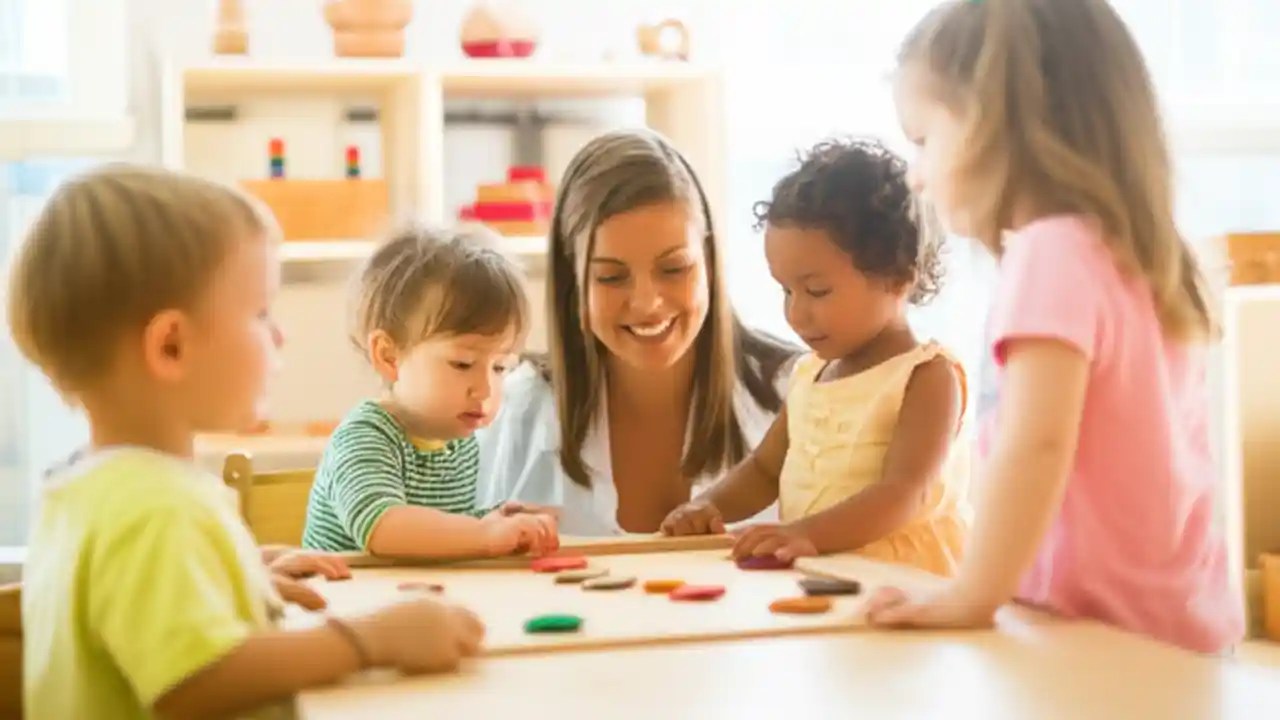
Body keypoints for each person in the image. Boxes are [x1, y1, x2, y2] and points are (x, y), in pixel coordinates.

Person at [9, 165, 486, 719]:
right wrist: (368, 639)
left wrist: (235, 573)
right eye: (260, 313)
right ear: (171, 346)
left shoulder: (88, 490)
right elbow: (193, 682)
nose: (280, 334)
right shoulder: (154, 510)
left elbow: (129, 619)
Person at [866, 0, 1243, 654]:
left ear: (995, 127)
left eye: (923, 138)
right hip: (1178, 631)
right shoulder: (1140, 255)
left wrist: (970, 594)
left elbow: (1036, 442)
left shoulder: (1052, 254)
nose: (915, 173)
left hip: (1095, 636)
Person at [660, 138, 971, 577]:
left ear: (898, 277)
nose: (795, 312)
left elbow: (906, 492)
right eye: (786, 290)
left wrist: (806, 533)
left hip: (908, 586)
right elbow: (765, 470)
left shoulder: (926, 377)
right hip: (826, 584)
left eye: (817, 291)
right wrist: (707, 506)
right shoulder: (812, 374)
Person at [477, 129, 799, 535]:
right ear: (574, 283)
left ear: (710, 262)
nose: (647, 304)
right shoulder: (514, 411)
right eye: (611, 277)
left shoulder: (798, 392)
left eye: (674, 269)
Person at [302, 226, 559, 558]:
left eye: (500, 368)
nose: (485, 389)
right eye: (463, 364)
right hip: (346, 604)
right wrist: (484, 533)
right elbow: (384, 528)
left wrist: (498, 518)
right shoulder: (365, 437)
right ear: (389, 356)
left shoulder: (462, 442)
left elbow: (451, 529)